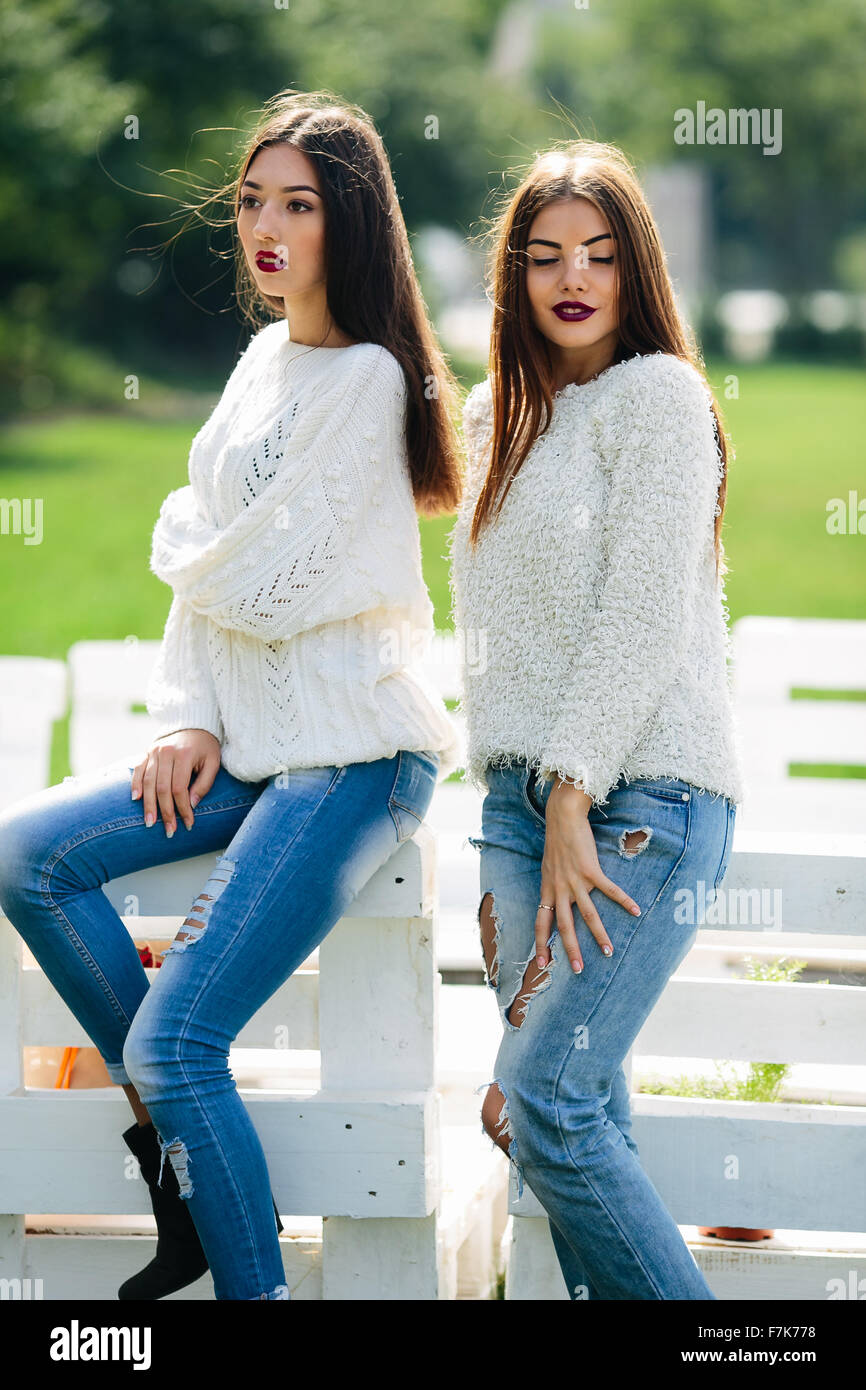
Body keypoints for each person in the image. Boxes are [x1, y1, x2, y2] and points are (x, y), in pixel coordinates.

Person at [0, 89, 463, 1301]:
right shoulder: (264, 359)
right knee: (27, 856)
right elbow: (211, 578)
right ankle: (182, 1160)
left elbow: (255, 580)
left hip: (354, 753)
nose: (264, 226)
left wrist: (196, 546)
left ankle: (235, 1264)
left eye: (297, 206)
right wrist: (185, 715)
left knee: (174, 1037)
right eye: (252, 201)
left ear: (348, 224)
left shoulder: (368, 379)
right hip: (253, 746)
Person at [448, 138, 745, 1300]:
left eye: (599, 254)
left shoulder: (660, 398)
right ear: (512, 276)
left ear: (636, 269)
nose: (570, 277)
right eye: (542, 257)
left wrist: (573, 785)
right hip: (516, 807)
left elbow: (645, 607)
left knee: (547, 1102)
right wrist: (520, 794)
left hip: (638, 796)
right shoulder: (494, 418)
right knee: (569, 1114)